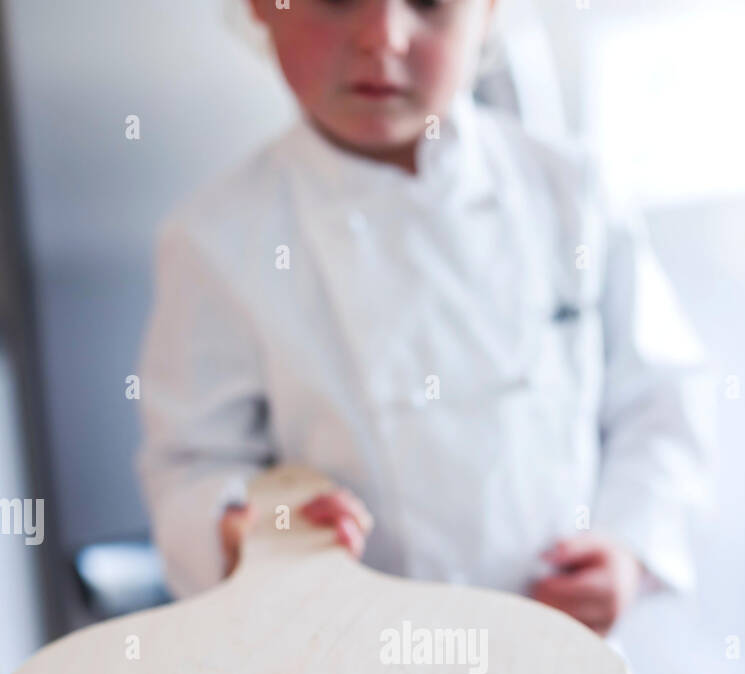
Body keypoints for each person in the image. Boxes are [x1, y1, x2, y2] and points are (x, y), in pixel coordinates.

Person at [137, 0, 711, 637]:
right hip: (347, 669)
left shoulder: (573, 190)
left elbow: (660, 401)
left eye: (429, 3)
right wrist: (246, 530)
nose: (382, 38)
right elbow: (191, 464)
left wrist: (629, 547)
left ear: (488, 12)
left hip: (559, 649)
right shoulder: (216, 239)